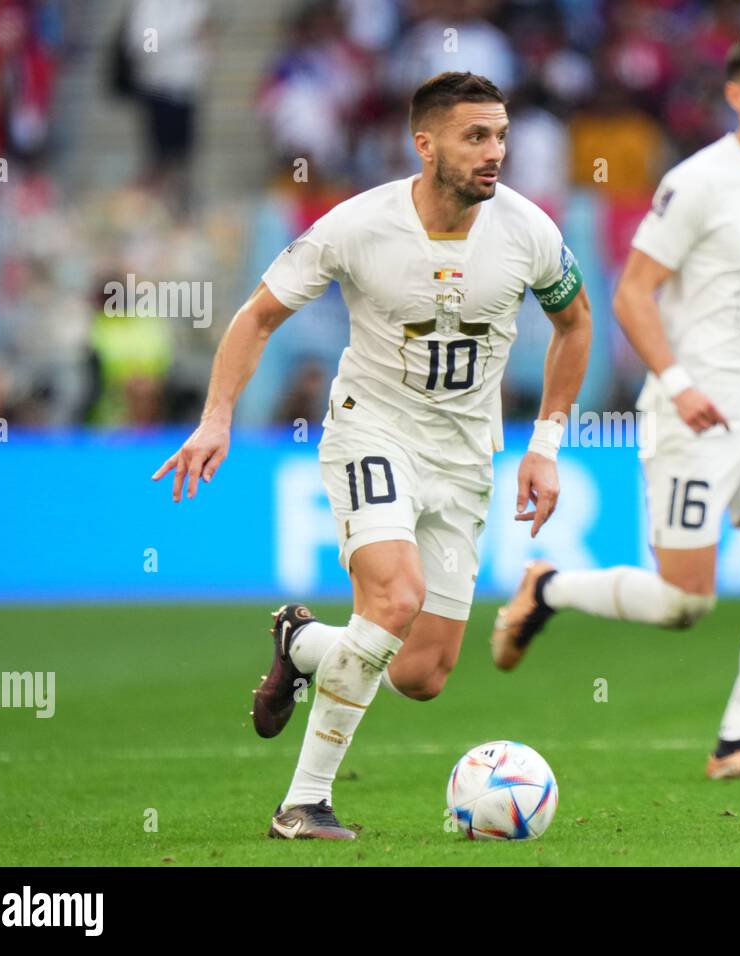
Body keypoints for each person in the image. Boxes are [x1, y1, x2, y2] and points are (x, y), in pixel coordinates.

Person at [153, 72, 592, 839]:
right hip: (373, 431)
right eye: (475, 137)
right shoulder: (355, 226)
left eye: (500, 136)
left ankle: (302, 643)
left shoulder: (530, 231)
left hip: (464, 457)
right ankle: (304, 804)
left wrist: (545, 445)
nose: (495, 153)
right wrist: (217, 417)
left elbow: (576, 324)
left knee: (422, 675)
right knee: (393, 599)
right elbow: (257, 318)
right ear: (425, 145)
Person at [490, 32, 740, 780]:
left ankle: (737, 744)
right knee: (684, 603)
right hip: (689, 413)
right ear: (736, 95)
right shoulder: (698, 183)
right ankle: (548, 587)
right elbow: (632, 293)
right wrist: (681, 382)